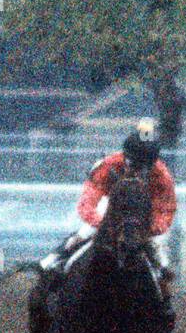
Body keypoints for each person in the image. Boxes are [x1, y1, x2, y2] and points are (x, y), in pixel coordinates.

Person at [39, 118, 178, 318]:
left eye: (143, 167)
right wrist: (102, 224)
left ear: (152, 163)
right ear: (126, 157)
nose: (137, 171)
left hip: (142, 219)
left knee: (160, 257)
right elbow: (88, 201)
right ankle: (55, 264)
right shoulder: (109, 165)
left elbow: (165, 209)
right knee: (83, 234)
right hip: (111, 211)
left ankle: (164, 301)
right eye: (133, 164)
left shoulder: (162, 175)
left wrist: (150, 229)